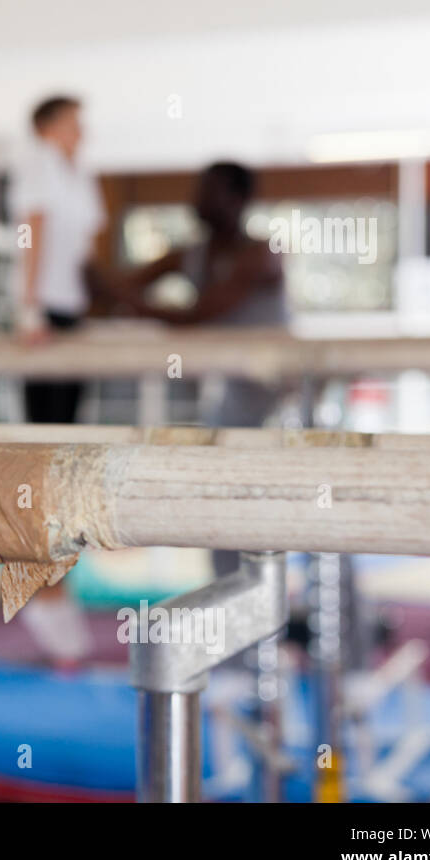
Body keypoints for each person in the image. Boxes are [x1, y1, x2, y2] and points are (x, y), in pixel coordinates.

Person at [86, 161, 288, 575]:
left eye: (209, 191)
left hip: (281, 401)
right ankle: (234, 600)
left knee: (285, 506)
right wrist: (87, 270)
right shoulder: (190, 254)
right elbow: (123, 287)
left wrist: (126, 301)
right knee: (222, 499)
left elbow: (202, 313)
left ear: (238, 199)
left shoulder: (262, 254)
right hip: (234, 401)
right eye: (199, 190)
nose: (197, 201)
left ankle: (322, 614)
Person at [7, 95, 106, 423]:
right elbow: (32, 230)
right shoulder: (39, 161)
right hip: (45, 302)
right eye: (73, 123)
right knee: (46, 413)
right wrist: (30, 308)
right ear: (46, 127)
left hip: (73, 302)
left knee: (70, 409)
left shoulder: (80, 172)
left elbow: (85, 245)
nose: (81, 131)